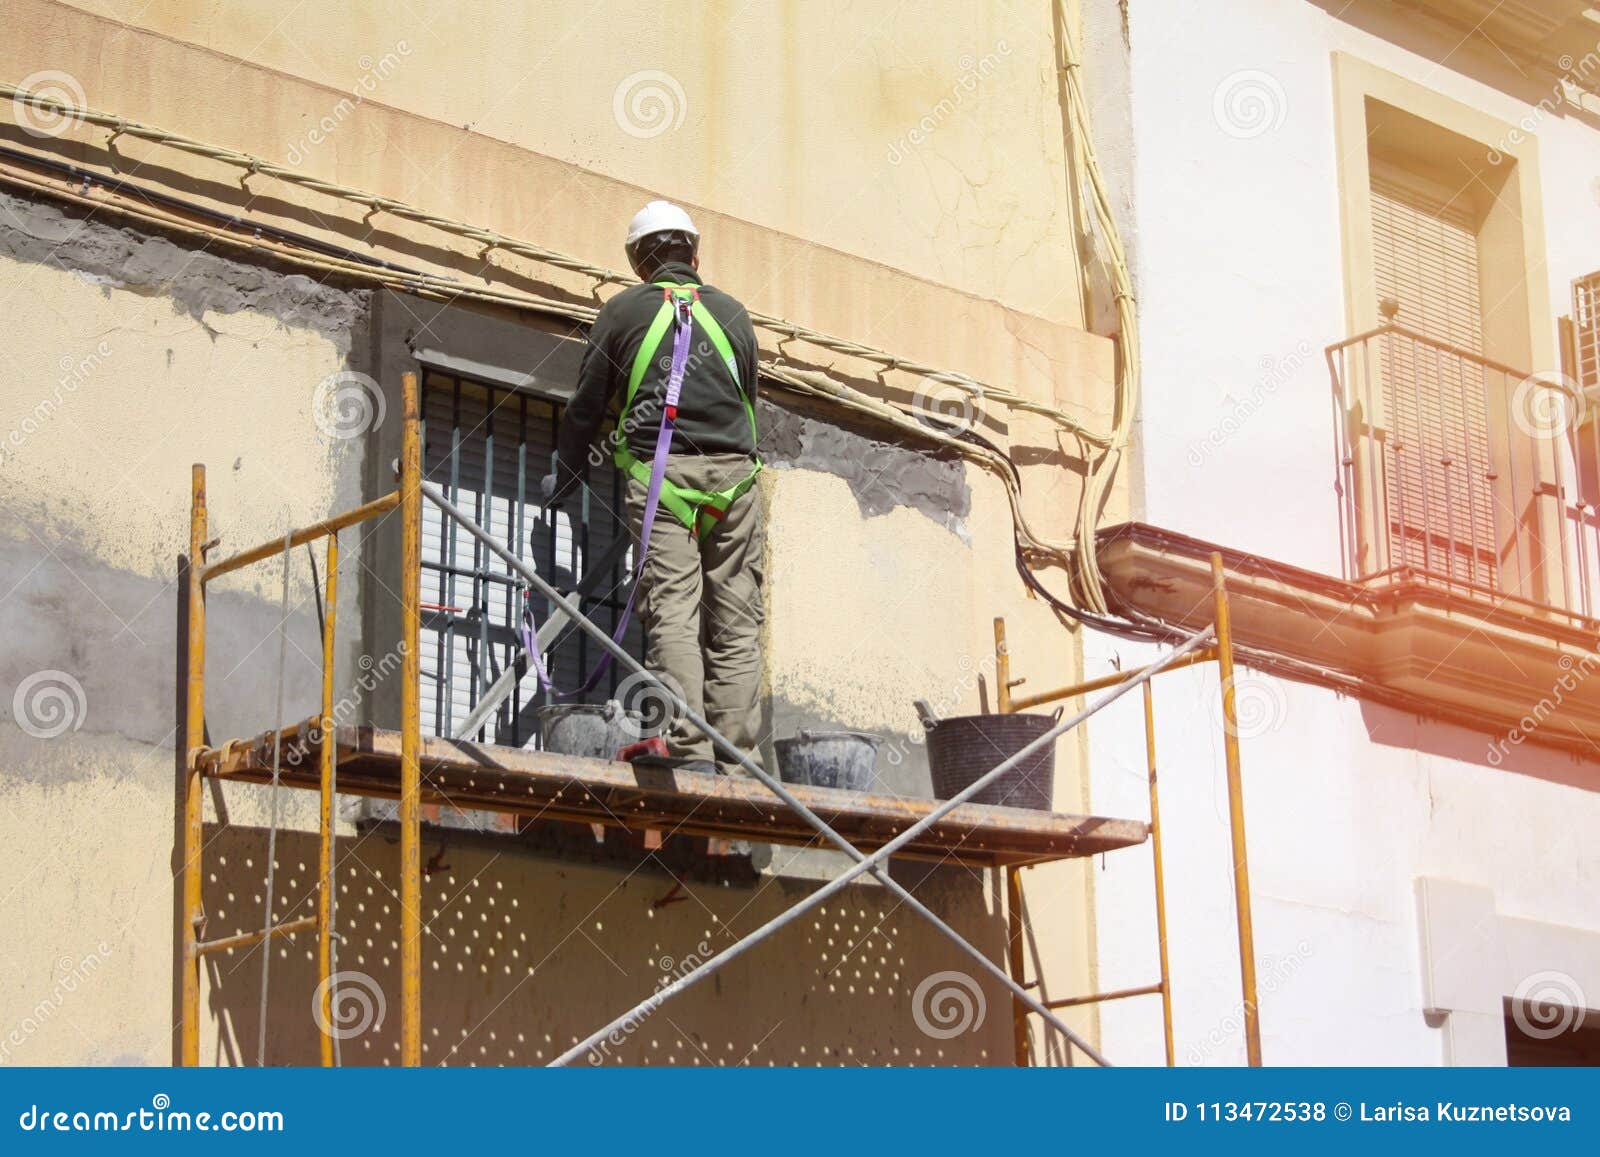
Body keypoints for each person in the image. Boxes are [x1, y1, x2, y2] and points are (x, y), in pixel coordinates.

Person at [542, 200, 764, 774]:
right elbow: (747, 399)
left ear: (640, 262)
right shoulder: (735, 315)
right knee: (737, 622)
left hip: (663, 480)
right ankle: (736, 760)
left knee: (672, 613)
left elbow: (586, 408)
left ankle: (688, 750)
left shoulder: (621, 313)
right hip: (738, 483)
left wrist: (566, 476)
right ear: (695, 254)